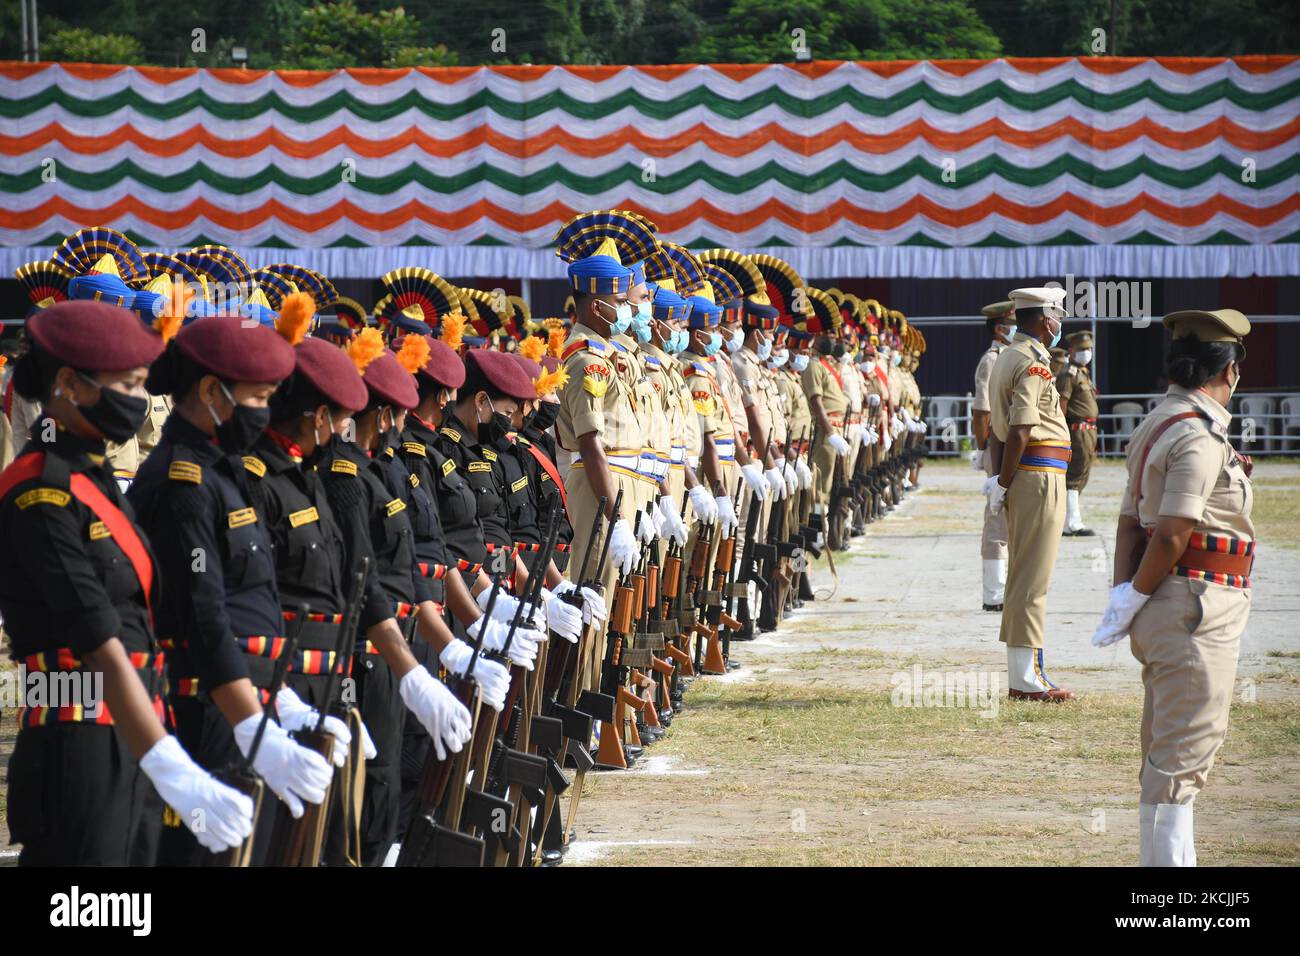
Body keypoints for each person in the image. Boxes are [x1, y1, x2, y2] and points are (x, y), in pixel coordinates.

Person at [0, 300, 255, 865]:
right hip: (79, 749)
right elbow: (97, 637)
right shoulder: (40, 492)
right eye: (127, 384)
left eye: (144, 385)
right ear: (69, 383)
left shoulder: (97, 482)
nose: (138, 400)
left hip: (137, 734)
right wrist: (172, 763)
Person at [129, 315, 335, 865]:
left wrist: (278, 701)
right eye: (257, 396)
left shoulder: (221, 473)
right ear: (209, 391)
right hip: (207, 711)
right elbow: (204, 613)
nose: (264, 412)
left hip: (244, 703)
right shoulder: (181, 481)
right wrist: (252, 724)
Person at [1092, 309, 1253, 867]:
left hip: (1173, 601)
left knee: (1167, 758)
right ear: (1229, 370)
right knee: (1181, 764)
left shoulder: (1158, 419)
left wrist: (1126, 595)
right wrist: (1133, 594)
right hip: (1195, 604)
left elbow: (1128, 523)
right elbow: (1174, 531)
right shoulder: (1198, 433)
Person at [984, 287, 1076, 702]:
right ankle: (1026, 678)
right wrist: (1002, 483)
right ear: (1044, 319)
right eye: (1058, 315)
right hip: (1038, 476)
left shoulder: (1009, 356)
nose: (1060, 323)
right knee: (1032, 579)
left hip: (1030, 475)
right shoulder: (1032, 364)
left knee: (1025, 575)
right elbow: (1021, 428)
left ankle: (1026, 672)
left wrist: (1001, 482)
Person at [972, 301, 1014, 611]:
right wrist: (981, 446)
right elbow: (982, 410)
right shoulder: (991, 360)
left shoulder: (1013, 357)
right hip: (997, 446)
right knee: (997, 518)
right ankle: (993, 594)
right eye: (1011, 323)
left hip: (1015, 445)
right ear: (1000, 329)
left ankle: (1006, 588)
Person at [1058, 330, 1099, 536]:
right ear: (1071, 351)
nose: (1086, 352)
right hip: (1076, 430)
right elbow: (1062, 404)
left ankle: (1070, 520)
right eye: (1082, 349)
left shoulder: (1083, 372)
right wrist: (1062, 434)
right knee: (1074, 476)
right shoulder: (1069, 373)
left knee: (1082, 475)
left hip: (1088, 430)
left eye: (1089, 348)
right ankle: (1071, 523)